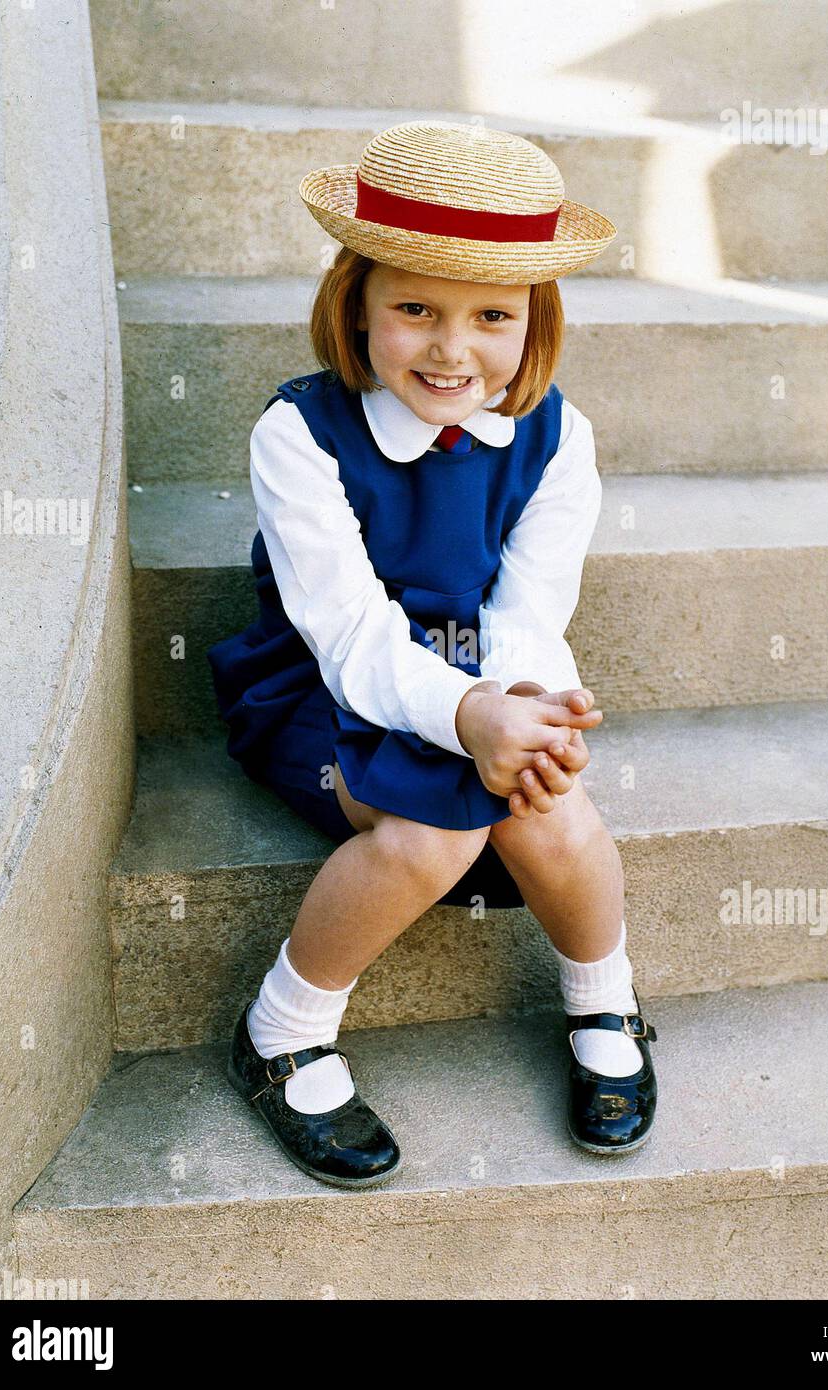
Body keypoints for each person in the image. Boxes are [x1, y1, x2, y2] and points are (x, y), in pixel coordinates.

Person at [208, 120, 657, 1189]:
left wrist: (524, 713)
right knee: (431, 828)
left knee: (548, 800)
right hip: (321, 686)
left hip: (486, 676)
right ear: (354, 302)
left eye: (490, 316)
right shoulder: (300, 434)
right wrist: (466, 721)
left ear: (532, 319)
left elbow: (527, 609)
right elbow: (349, 631)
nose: (452, 349)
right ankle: (282, 1028)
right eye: (414, 308)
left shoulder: (557, 438)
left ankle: (606, 993)